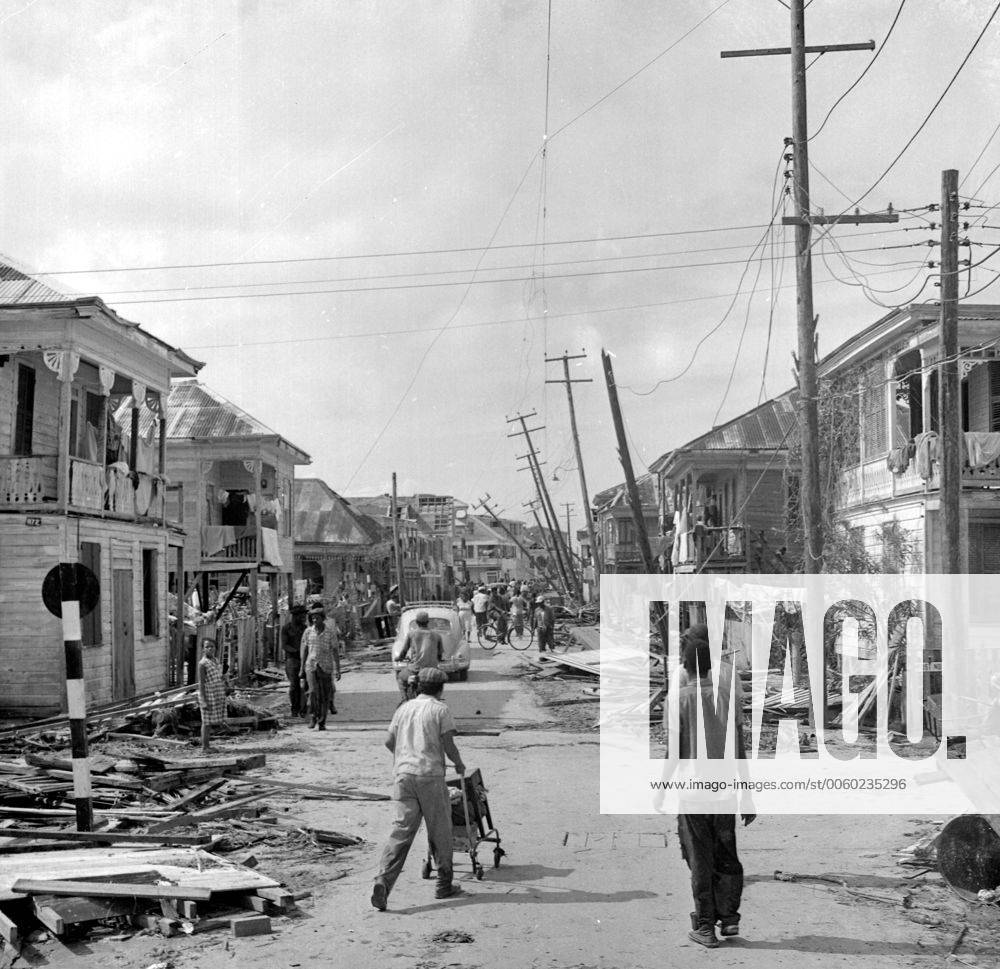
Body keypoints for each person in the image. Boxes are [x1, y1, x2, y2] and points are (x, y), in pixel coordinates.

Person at [672, 624, 755, 948]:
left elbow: (674, 752)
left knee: (699, 857)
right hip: (724, 789)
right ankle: (730, 918)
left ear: (686, 662)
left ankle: (705, 925)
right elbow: (739, 749)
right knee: (726, 851)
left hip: (692, 791)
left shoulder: (680, 696)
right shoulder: (728, 692)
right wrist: (747, 796)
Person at [371, 666, 465, 910]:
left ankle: (383, 880)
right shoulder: (440, 709)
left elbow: (389, 741)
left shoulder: (403, 708)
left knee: (401, 831)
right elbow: (448, 743)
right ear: (440, 688)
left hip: (403, 776)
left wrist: (404, 756)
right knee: (440, 829)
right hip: (430, 776)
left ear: (419, 687)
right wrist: (458, 763)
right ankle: (444, 883)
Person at [300, 606, 341, 730]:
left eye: (317, 618)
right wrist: (302, 668)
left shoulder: (330, 632)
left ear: (322, 619)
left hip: (326, 666)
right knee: (312, 692)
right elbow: (305, 650)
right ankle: (313, 716)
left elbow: (335, 651)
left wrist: (338, 669)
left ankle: (322, 721)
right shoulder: (308, 632)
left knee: (325, 695)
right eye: (312, 618)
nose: (314, 620)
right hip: (311, 666)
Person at [395, 610, 444, 703]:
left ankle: (405, 700)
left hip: (415, 669)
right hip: (431, 669)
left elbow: (404, 651)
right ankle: (437, 699)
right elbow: (440, 654)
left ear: (416, 622)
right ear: (428, 622)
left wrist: (399, 658)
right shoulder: (437, 635)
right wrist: (438, 659)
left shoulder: (411, 634)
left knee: (400, 678)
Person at [197, 639, 228, 752]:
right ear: (203, 649)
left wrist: (224, 679)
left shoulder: (216, 661)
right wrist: (204, 701)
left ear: (215, 648)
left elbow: (218, 675)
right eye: (207, 647)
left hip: (218, 693)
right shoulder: (202, 664)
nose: (210, 648)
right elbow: (201, 683)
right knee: (206, 722)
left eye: (212, 646)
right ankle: (205, 747)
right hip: (208, 694)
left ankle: (208, 746)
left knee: (211, 722)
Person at [281, 604, 309, 717]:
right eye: (302, 615)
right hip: (292, 660)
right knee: (294, 685)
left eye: (304, 615)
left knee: (307, 685)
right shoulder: (286, 628)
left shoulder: (305, 628)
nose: (304, 617)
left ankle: (303, 708)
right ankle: (294, 708)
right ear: (295, 616)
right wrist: (297, 651)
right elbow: (284, 645)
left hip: (304, 660)